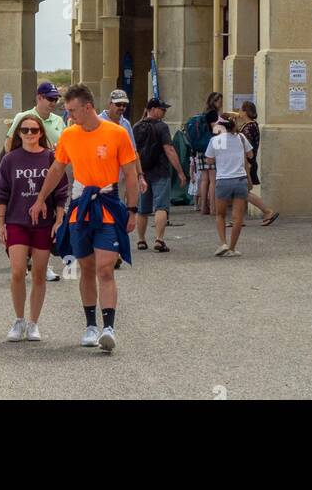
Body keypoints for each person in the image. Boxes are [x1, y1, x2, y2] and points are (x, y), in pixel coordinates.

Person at [29, 83, 138, 353]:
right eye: (67, 111)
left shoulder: (117, 133)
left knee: (105, 268)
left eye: (73, 110)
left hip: (108, 203)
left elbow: (132, 174)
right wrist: (41, 198)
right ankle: (91, 326)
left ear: (87, 108)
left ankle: (109, 328)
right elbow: (56, 169)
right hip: (80, 206)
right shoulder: (69, 135)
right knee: (86, 268)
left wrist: (133, 209)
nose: (69, 116)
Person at [0, 114, 68, 341]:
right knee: (17, 271)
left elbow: (61, 192)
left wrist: (58, 220)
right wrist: (0, 224)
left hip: (43, 224)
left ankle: (34, 323)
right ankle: (18, 320)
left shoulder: (50, 158)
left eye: (34, 130)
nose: (29, 134)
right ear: (18, 133)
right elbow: (2, 193)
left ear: (41, 133)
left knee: (39, 274)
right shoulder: (10, 160)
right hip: (16, 221)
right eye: (25, 130)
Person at [132, 98, 187, 252]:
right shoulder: (161, 127)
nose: (164, 112)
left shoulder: (136, 126)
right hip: (160, 172)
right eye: (162, 109)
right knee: (161, 207)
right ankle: (159, 239)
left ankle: (141, 240)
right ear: (153, 109)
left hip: (142, 173)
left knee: (142, 209)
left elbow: (132, 152)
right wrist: (180, 172)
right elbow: (169, 149)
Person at [206, 113, 254, 256]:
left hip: (223, 180)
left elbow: (209, 160)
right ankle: (232, 248)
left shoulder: (215, 140)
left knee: (220, 214)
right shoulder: (241, 137)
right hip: (240, 179)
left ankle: (223, 243)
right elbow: (250, 155)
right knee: (237, 217)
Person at [237, 102, 279, 225]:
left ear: (245, 112)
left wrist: (246, 165)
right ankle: (239, 218)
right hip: (248, 162)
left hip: (247, 163)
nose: (239, 112)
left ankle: (267, 211)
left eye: (240, 110)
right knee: (241, 192)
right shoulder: (252, 125)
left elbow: (246, 148)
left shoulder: (249, 127)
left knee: (243, 192)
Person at [185, 92, 221, 216]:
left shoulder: (204, 113)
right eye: (219, 100)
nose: (220, 103)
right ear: (214, 101)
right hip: (210, 148)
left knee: (204, 179)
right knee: (213, 179)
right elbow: (216, 130)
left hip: (200, 149)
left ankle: (203, 206)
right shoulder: (213, 114)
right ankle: (212, 208)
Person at [6, 82, 65, 151]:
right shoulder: (22, 117)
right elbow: (9, 142)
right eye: (50, 99)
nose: (53, 103)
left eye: (56, 100)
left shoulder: (59, 120)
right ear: (39, 98)